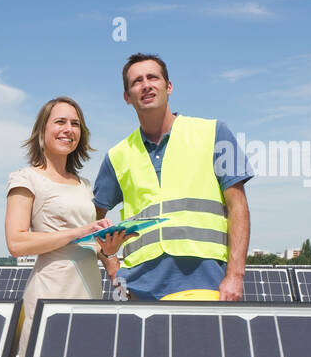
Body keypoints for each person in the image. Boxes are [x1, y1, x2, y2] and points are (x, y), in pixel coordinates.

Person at [93, 53, 254, 301]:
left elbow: (238, 207)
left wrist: (235, 275)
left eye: (152, 77)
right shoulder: (116, 156)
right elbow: (94, 223)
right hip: (139, 293)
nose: (145, 85)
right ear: (127, 97)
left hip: (207, 285)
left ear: (168, 86)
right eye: (136, 81)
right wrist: (115, 271)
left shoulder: (214, 133)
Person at [5, 96, 129, 357]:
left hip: (88, 293)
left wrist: (109, 253)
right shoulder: (25, 179)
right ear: (42, 131)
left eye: (75, 124)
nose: (68, 129)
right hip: (51, 293)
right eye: (60, 121)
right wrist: (77, 232)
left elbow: (93, 244)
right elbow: (17, 243)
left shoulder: (83, 184)